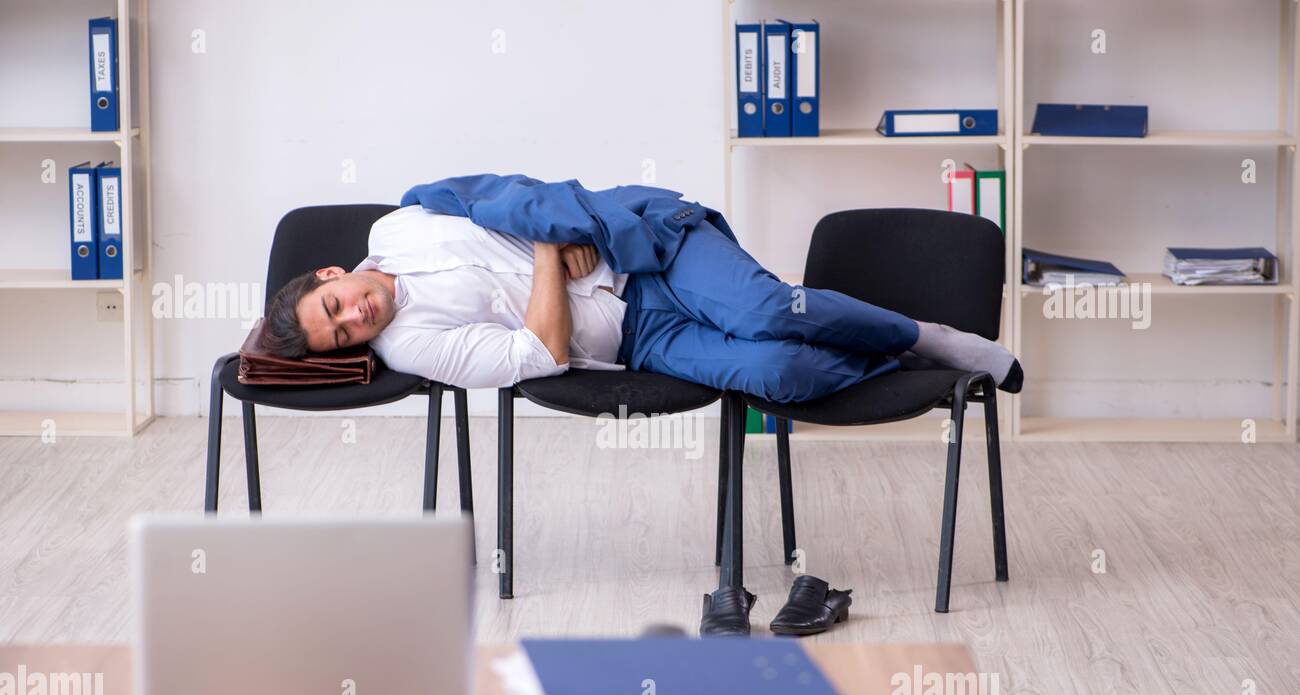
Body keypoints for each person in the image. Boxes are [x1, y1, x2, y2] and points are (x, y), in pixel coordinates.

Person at [257, 203, 1023, 403]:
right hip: (635, 339)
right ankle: (897, 355)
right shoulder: (409, 345)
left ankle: (929, 335)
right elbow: (542, 355)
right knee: (781, 375)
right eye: (340, 339)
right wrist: (551, 253)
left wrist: (557, 241)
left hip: (652, 252)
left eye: (336, 307)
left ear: (332, 272)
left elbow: (515, 199)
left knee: (760, 313)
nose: (354, 321)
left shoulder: (403, 226)